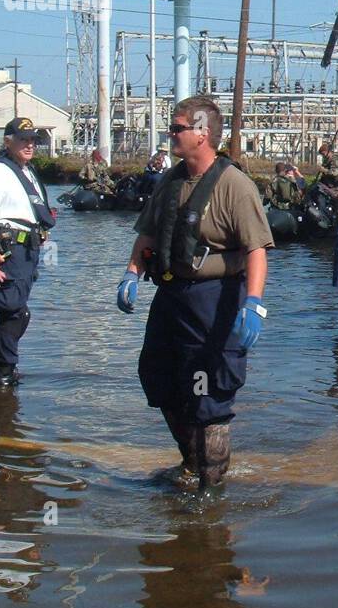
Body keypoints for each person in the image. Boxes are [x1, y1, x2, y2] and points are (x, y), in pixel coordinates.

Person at [116, 95, 274, 489]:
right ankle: (191, 463)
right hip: (171, 297)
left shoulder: (234, 185)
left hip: (214, 298)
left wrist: (253, 304)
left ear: (202, 134)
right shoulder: (170, 180)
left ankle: (211, 489)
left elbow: (256, 250)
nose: (171, 134)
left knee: (209, 392)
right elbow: (149, 234)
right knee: (159, 378)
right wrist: (132, 273)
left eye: (177, 128)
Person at [0, 118, 56, 387]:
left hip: (27, 249)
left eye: (32, 140)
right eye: (23, 139)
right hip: (7, 251)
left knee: (18, 312)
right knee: (13, 311)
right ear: (8, 142)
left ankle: (2, 370)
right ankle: (1, 374)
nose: (29, 145)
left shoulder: (26, 171)